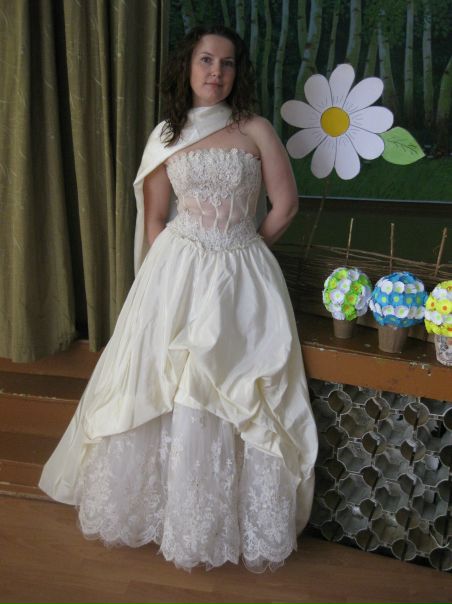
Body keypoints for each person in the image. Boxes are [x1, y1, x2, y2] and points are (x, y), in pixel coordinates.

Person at [39, 24, 318, 573]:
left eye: (228, 63)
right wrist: (167, 279)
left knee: (233, 385)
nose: (216, 72)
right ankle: (163, 512)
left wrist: (244, 254)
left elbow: (284, 206)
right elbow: (155, 219)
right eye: (206, 60)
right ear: (187, 68)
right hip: (178, 272)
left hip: (241, 274)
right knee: (166, 380)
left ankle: (219, 521)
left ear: (238, 73)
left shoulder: (256, 129)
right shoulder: (167, 135)